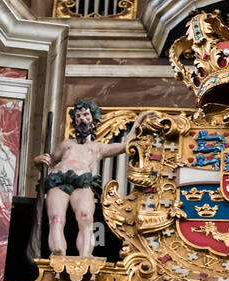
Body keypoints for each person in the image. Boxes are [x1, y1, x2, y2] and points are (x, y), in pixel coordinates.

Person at [35, 99, 155, 256]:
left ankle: (85, 256)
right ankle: (58, 253)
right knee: (56, 218)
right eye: (78, 116)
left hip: (82, 181)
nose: (82, 119)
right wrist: (38, 160)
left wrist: (139, 121)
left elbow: (125, 144)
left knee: (85, 216)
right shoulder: (66, 144)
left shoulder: (97, 147)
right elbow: (48, 161)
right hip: (59, 179)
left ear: (93, 118)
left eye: (85, 115)